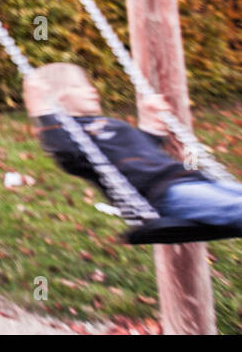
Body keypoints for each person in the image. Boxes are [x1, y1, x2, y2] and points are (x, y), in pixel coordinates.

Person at [23, 62, 242, 228]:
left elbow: (143, 148)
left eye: (88, 84)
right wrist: (41, 110)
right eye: (78, 87)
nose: (92, 90)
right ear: (56, 98)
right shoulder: (70, 136)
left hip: (188, 181)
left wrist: (150, 122)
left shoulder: (108, 124)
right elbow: (65, 152)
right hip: (163, 195)